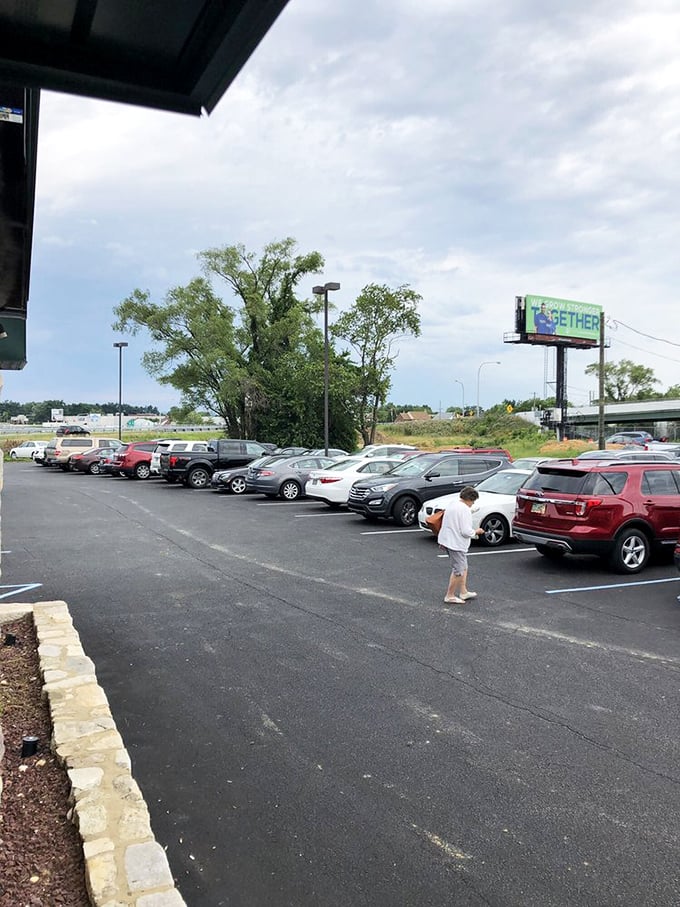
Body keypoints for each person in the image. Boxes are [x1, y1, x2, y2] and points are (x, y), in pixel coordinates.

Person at [438, 485, 484, 605]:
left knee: (463, 567)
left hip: (447, 539)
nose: (472, 504)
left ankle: (463, 591)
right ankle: (450, 595)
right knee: (458, 570)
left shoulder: (454, 504)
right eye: (473, 501)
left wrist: (471, 511)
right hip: (456, 543)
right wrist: (476, 532)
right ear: (470, 499)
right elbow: (465, 531)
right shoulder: (464, 510)